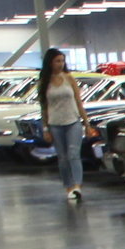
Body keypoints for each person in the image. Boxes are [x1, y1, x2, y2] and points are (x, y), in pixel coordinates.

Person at [38, 48, 87, 203]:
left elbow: (79, 102)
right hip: (55, 123)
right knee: (63, 157)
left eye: (62, 61)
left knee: (73, 154)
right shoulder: (44, 82)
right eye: (57, 61)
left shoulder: (69, 78)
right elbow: (43, 107)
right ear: (50, 63)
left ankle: (78, 186)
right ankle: (68, 186)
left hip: (73, 121)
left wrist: (86, 122)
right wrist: (45, 128)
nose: (60, 64)